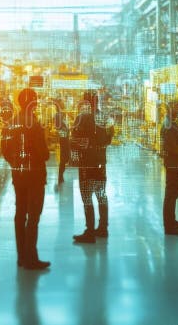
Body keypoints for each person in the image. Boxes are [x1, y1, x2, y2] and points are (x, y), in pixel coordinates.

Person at [1, 88, 51, 270]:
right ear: (33, 103)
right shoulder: (35, 125)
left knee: (20, 213)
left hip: (19, 174)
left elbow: (4, 150)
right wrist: (44, 154)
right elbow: (43, 154)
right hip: (35, 175)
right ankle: (31, 258)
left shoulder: (11, 123)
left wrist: (16, 162)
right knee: (33, 216)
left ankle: (21, 256)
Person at [72, 90, 114, 243]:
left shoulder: (81, 118)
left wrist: (78, 153)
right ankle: (103, 228)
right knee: (101, 194)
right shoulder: (105, 117)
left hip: (86, 164)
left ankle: (89, 231)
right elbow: (109, 139)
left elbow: (74, 140)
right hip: (100, 163)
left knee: (87, 196)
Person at [160, 99, 178, 236]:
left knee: (174, 193)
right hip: (173, 163)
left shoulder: (173, 123)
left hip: (175, 163)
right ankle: (169, 226)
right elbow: (172, 148)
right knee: (171, 194)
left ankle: (171, 220)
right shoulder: (169, 126)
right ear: (171, 108)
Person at [53, 100, 70, 187]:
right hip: (63, 139)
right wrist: (65, 129)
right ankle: (60, 176)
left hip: (64, 138)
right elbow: (58, 127)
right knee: (64, 158)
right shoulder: (58, 115)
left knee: (64, 158)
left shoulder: (60, 115)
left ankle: (61, 176)